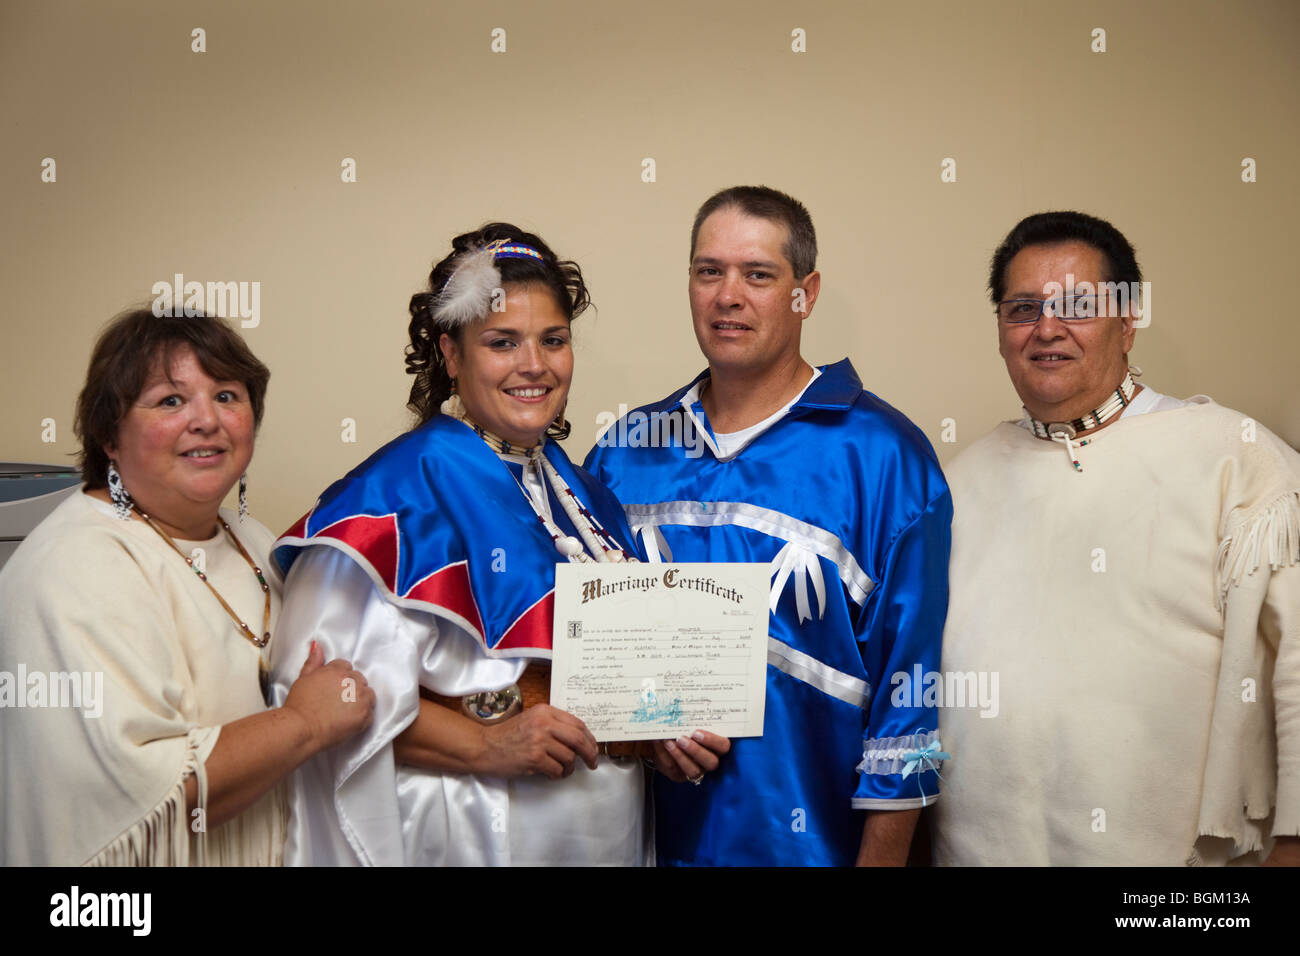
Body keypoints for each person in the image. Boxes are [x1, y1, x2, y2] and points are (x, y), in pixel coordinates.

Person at [269, 224, 716, 866]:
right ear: (452, 354)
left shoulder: (590, 499)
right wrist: (487, 746)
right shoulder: (394, 495)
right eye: (502, 343)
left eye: (553, 340)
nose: (534, 365)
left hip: (603, 838)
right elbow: (320, 694)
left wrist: (656, 740)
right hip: (470, 839)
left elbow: (613, 683)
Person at [585, 186, 953, 866]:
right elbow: (585, 663)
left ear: (803, 293)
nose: (729, 295)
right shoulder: (624, 451)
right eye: (708, 271)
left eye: (758, 275)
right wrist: (644, 727)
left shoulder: (885, 456)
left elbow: (910, 701)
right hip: (641, 845)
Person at [931, 210, 1300, 866]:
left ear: (1128, 321)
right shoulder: (953, 489)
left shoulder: (1237, 461)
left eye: (1076, 305)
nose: (1046, 329)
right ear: (999, 330)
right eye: (1022, 309)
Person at [0, 308, 374, 866]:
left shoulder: (250, 535)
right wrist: (305, 723)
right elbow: (145, 796)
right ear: (108, 434)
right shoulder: (76, 568)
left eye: (227, 395)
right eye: (170, 401)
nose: (208, 420)